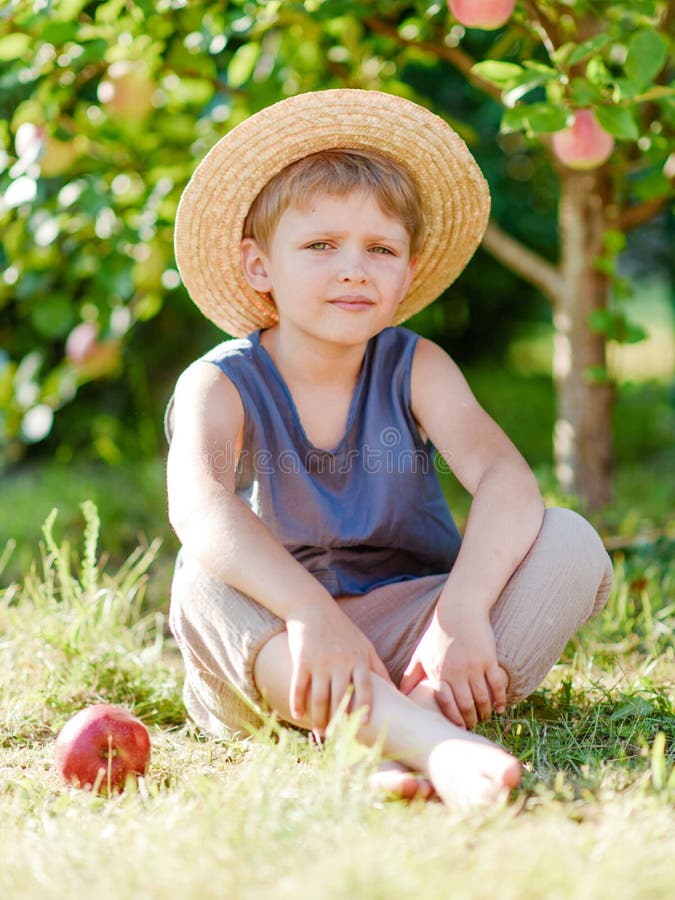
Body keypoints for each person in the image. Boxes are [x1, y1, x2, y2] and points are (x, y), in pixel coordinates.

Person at [165, 89, 613, 809]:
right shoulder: (220, 383)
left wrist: (461, 611)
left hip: (415, 632)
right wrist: (312, 615)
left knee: (570, 541)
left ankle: (396, 729)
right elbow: (198, 506)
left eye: (380, 250)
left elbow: (504, 478)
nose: (354, 269)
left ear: (406, 273)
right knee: (202, 577)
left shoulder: (415, 366)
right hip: (283, 646)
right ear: (258, 265)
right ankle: (433, 742)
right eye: (320, 246)